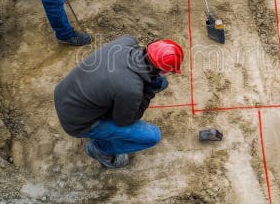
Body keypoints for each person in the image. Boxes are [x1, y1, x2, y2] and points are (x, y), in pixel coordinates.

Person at [54, 36, 184, 168]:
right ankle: (99, 149)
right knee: (152, 136)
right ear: (163, 71)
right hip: (77, 122)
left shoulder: (126, 41)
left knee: (160, 84)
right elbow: (124, 121)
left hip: (65, 93)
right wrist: (149, 91)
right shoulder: (131, 89)